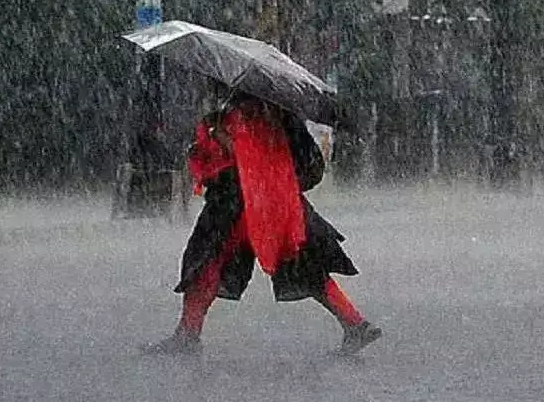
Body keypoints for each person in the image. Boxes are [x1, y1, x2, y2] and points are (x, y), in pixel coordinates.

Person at [144, 87, 382, 356]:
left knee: (206, 262)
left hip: (238, 204)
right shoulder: (281, 113)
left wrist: (219, 137)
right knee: (306, 265)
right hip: (280, 202)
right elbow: (297, 163)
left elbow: (238, 160)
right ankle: (354, 322)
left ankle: (188, 334)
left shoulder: (241, 113)